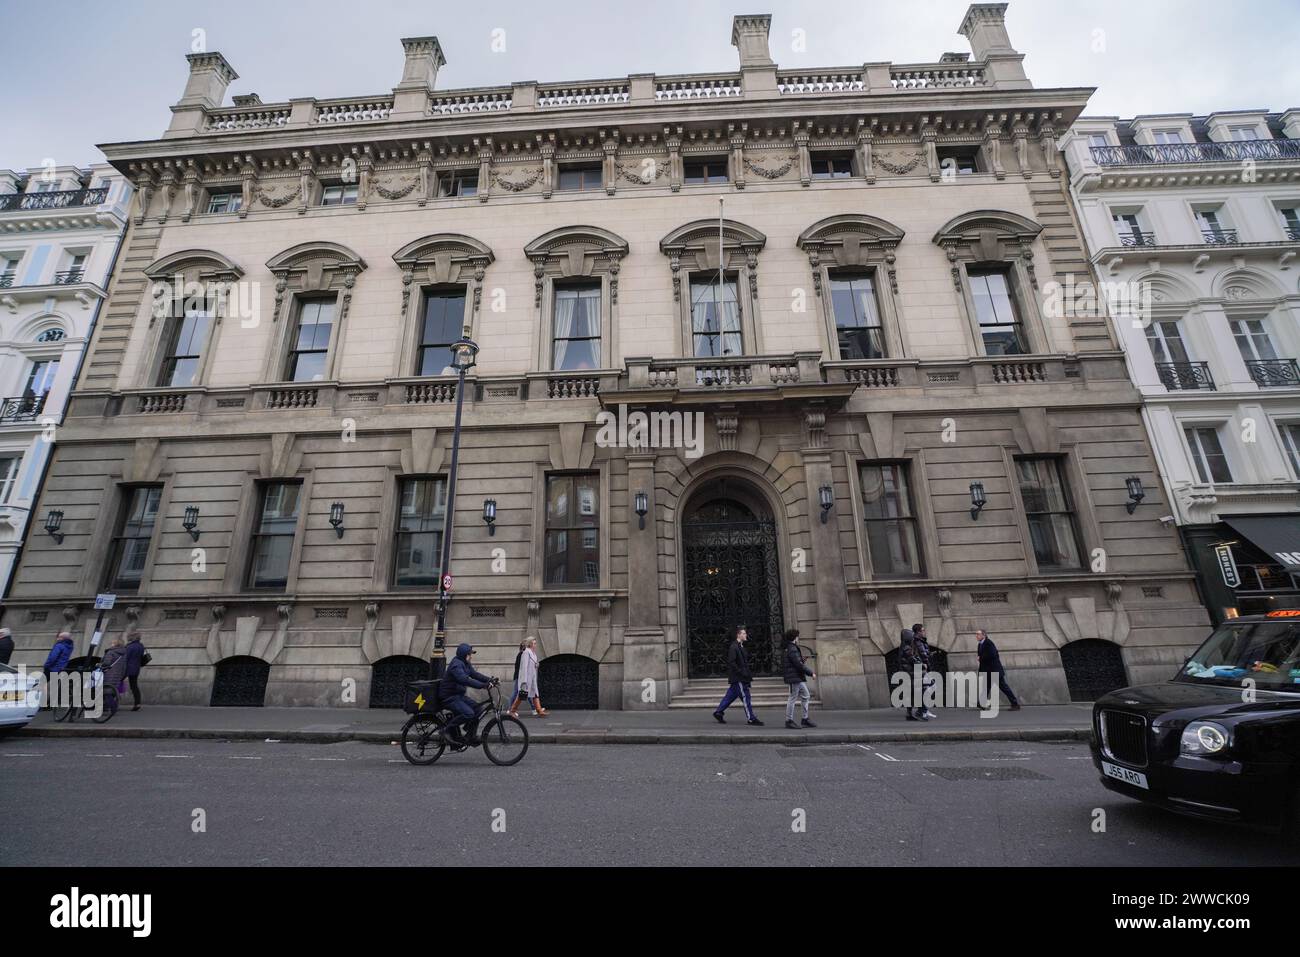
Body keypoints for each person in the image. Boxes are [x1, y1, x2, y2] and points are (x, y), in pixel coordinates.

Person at [438, 643, 496, 745]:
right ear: (464, 655)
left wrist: (490, 680)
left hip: (458, 695)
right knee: (468, 713)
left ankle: (470, 736)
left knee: (478, 709)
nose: (471, 657)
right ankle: (446, 730)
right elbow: (464, 680)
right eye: (469, 654)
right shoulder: (456, 665)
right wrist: (483, 685)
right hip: (449, 697)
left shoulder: (465, 663)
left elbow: (475, 674)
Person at [712, 625, 762, 726]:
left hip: (740, 677)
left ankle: (718, 712)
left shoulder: (740, 646)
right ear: (738, 635)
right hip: (739, 678)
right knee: (746, 697)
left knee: (730, 696)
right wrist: (741, 672)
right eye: (743, 633)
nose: (745, 635)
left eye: (745, 633)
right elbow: (732, 662)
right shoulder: (734, 647)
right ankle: (751, 718)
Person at [975, 628, 1021, 711]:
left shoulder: (989, 643)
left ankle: (1015, 704)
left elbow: (993, 655)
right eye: (976, 634)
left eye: (978, 634)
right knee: (986, 687)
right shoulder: (980, 644)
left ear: (983, 635)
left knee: (1004, 687)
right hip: (988, 671)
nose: (976, 636)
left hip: (994, 671)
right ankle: (981, 703)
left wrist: (981, 658)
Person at [781, 629, 816, 729]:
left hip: (797, 677)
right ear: (794, 637)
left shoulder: (791, 648)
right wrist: (811, 673)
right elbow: (798, 665)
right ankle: (789, 721)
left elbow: (796, 662)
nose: (798, 638)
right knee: (792, 698)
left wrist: (801, 660)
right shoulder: (792, 648)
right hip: (794, 677)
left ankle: (805, 719)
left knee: (806, 695)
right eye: (797, 636)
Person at [509, 637, 548, 718]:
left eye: (535, 643)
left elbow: (532, 665)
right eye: (534, 643)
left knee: (535, 694)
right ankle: (512, 710)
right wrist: (524, 680)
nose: (535, 645)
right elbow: (524, 667)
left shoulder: (533, 653)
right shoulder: (526, 653)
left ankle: (539, 710)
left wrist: (536, 665)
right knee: (521, 695)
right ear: (530, 644)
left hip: (532, 678)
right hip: (527, 679)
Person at [42, 632, 75, 709]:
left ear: (63, 638)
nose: (57, 638)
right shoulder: (70, 646)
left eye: (59, 637)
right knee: (54, 687)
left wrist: (46, 665)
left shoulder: (59, 645)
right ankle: (49, 705)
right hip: (60, 669)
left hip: (51, 668)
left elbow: (53, 657)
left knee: (41, 685)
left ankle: (42, 704)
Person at [99, 638, 129, 719]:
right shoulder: (123, 653)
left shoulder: (111, 652)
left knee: (107, 692)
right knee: (110, 692)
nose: (111, 644)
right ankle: (105, 707)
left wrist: (100, 665)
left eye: (112, 643)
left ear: (115, 644)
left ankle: (113, 708)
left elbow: (106, 663)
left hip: (109, 674)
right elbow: (124, 666)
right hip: (118, 675)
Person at [123, 630, 147, 711]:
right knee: (134, 686)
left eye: (129, 636)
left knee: (117, 681)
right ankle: (137, 703)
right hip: (136, 668)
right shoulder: (141, 646)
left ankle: (112, 699)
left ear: (132, 637)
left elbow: (125, 657)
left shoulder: (130, 647)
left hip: (128, 668)